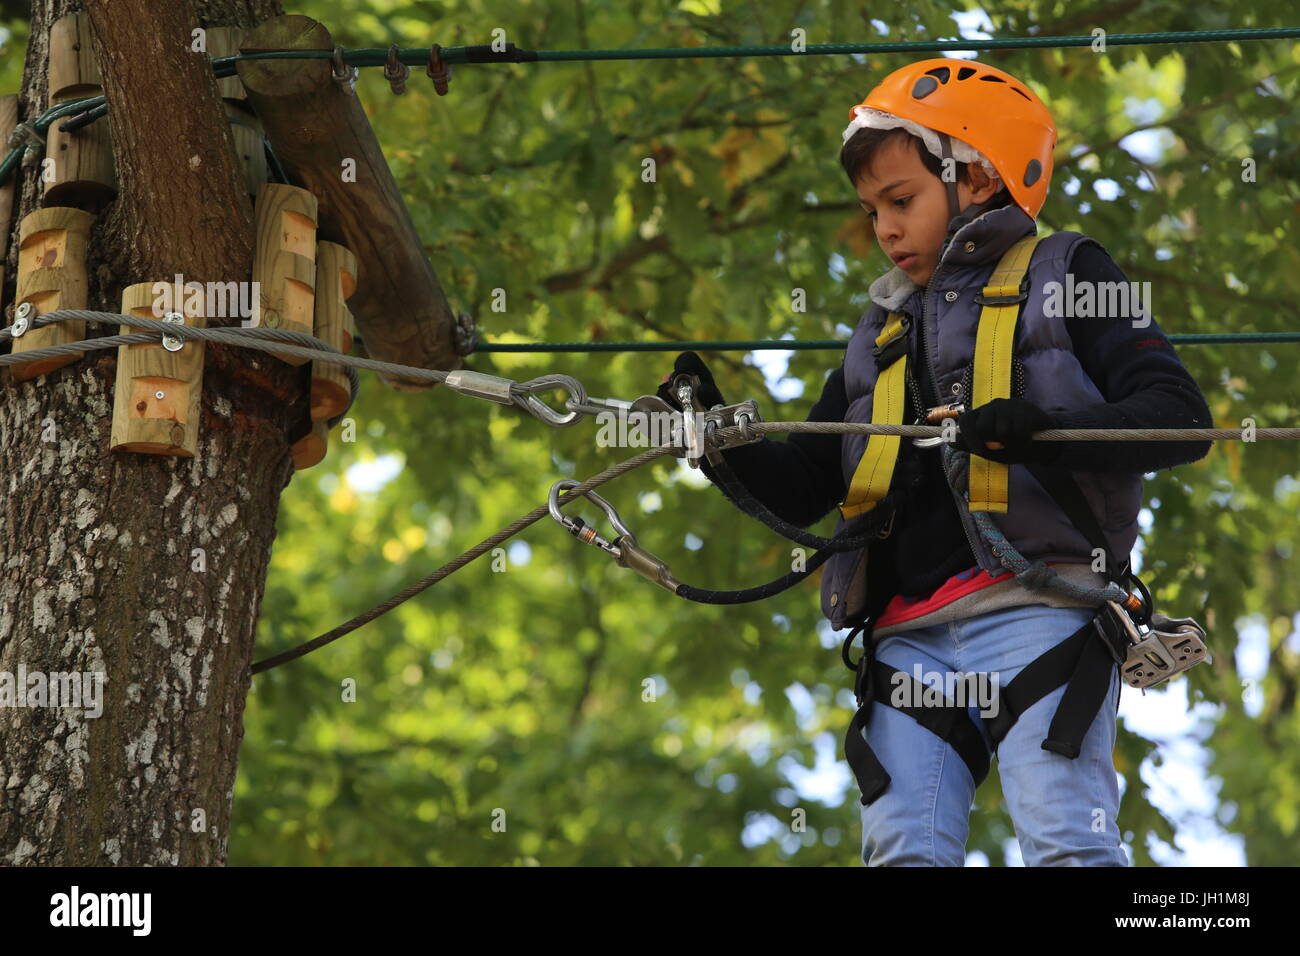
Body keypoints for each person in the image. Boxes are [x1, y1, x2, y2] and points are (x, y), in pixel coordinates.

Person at [654, 59, 1214, 866]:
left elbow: (1180, 419)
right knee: (903, 853)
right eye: (871, 209)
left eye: (900, 199)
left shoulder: (1073, 273)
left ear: (979, 178)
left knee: (1067, 840)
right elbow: (808, 485)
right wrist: (713, 438)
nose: (882, 229)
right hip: (908, 640)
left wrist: (1041, 429)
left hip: (1041, 610)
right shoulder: (877, 335)